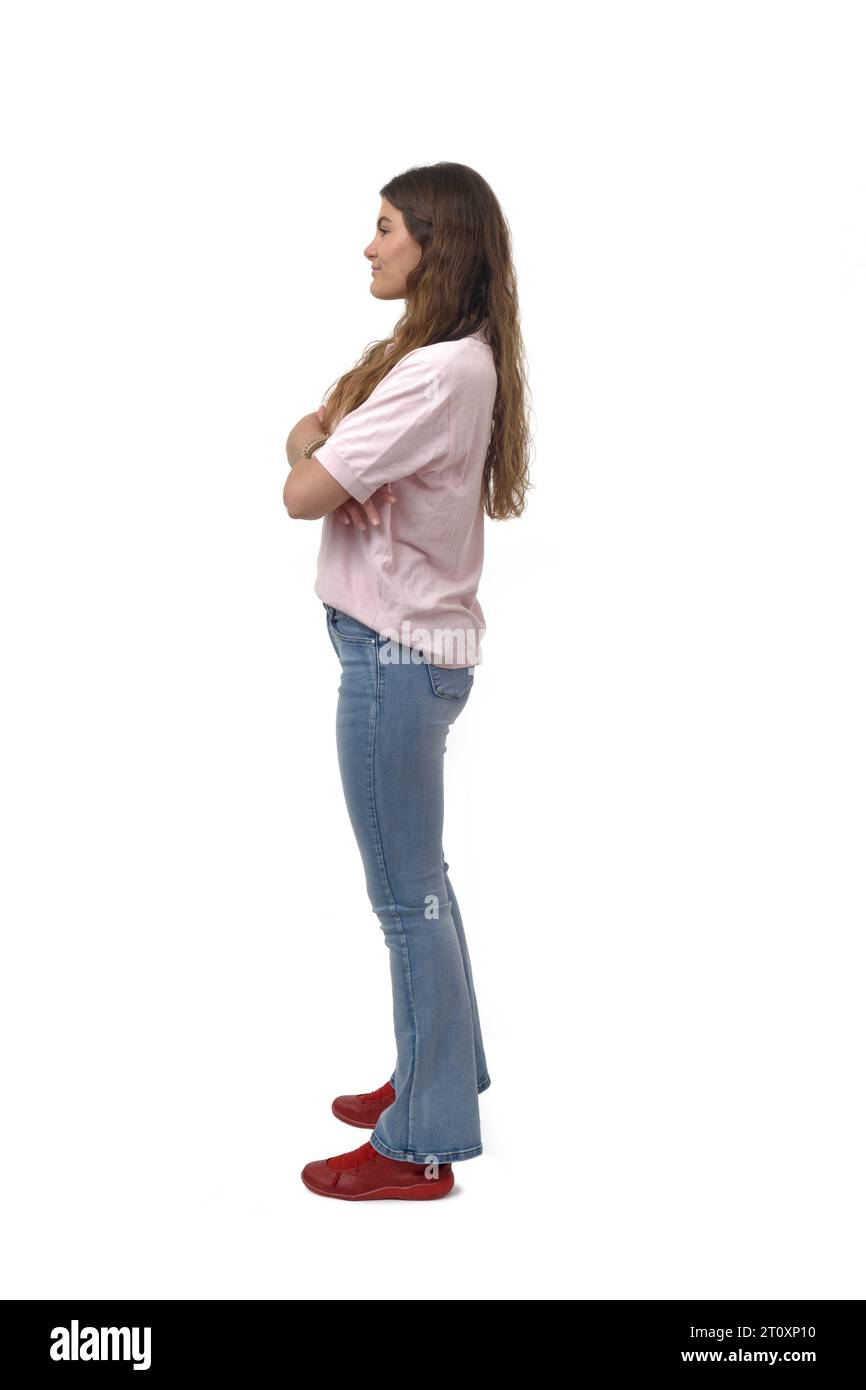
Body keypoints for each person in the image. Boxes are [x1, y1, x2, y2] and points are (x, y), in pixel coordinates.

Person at [282, 162, 532, 1200]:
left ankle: (420, 1139)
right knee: (421, 887)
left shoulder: (430, 375)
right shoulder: (454, 360)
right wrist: (325, 439)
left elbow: (302, 482)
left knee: (403, 896)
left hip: (391, 664)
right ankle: (438, 1074)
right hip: (415, 657)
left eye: (385, 227)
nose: (369, 245)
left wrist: (319, 440)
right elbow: (321, 449)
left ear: (436, 244)